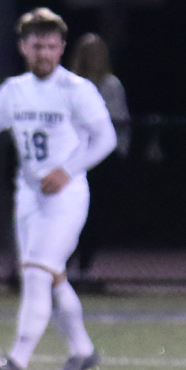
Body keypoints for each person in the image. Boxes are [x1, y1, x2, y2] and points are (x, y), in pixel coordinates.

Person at [0, 8, 116, 370]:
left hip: (66, 198)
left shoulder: (77, 89)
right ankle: (83, 351)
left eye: (52, 46)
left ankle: (18, 360)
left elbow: (106, 139)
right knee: (51, 276)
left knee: (37, 273)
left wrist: (67, 170)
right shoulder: (15, 90)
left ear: (61, 48)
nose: (45, 54)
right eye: (37, 46)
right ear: (23, 47)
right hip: (28, 197)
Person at [64, 32, 129, 281]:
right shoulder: (69, 84)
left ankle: (84, 270)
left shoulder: (112, 85)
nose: (94, 58)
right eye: (89, 53)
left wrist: (119, 153)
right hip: (74, 160)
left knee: (96, 216)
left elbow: (119, 123)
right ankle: (63, 268)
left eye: (98, 53)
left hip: (102, 160)